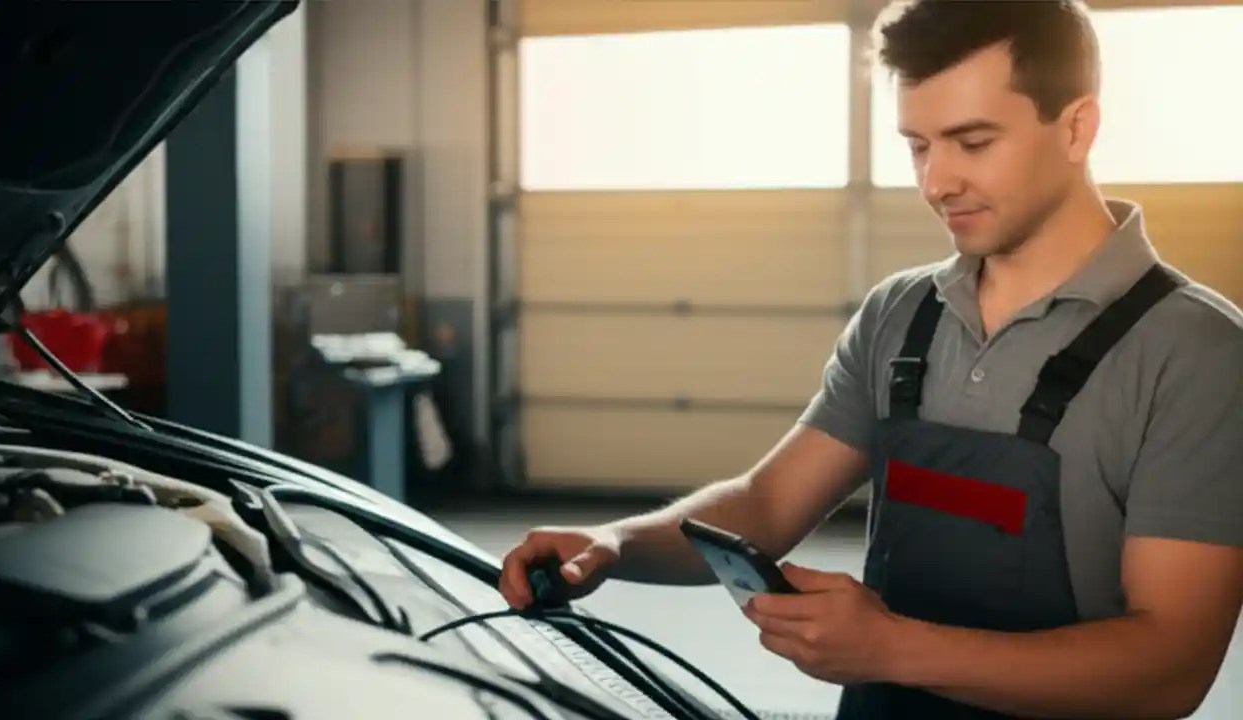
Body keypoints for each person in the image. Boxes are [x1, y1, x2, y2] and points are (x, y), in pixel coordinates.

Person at [497, 1, 1243, 717]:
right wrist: (615, 544)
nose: (935, 182)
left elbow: (1168, 667)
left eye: (973, 142)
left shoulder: (1195, 352)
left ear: (1077, 127)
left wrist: (892, 648)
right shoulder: (902, 314)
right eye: (918, 145)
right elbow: (765, 505)